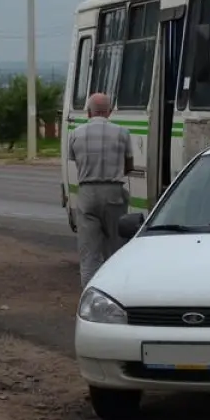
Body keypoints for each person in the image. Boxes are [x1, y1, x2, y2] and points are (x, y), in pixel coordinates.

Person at [67, 92, 133, 288]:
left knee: (89, 255)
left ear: (88, 112)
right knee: (116, 249)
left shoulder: (76, 134)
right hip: (113, 193)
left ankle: (90, 296)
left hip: (87, 192)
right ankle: (115, 292)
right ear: (110, 112)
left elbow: (75, 160)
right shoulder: (122, 132)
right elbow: (128, 165)